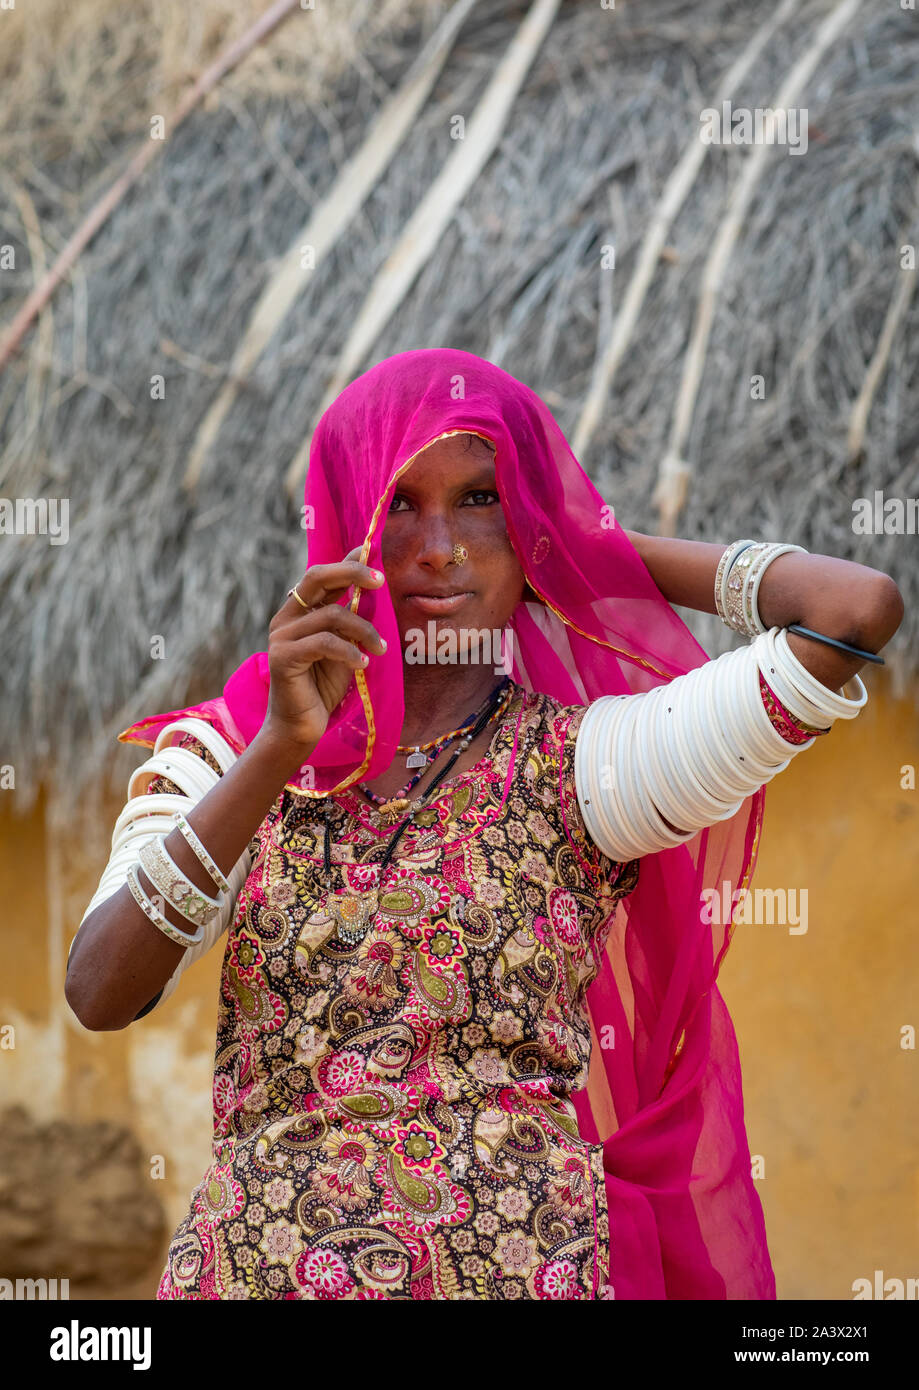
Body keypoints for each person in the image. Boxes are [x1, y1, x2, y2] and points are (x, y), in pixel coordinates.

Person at [65, 348, 903, 1300]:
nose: (439, 547)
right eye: (399, 505)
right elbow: (100, 990)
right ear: (346, 527)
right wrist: (278, 747)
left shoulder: (589, 768)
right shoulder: (222, 760)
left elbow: (850, 611)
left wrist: (583, 554)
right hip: (260, 1275)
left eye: (480, 499)